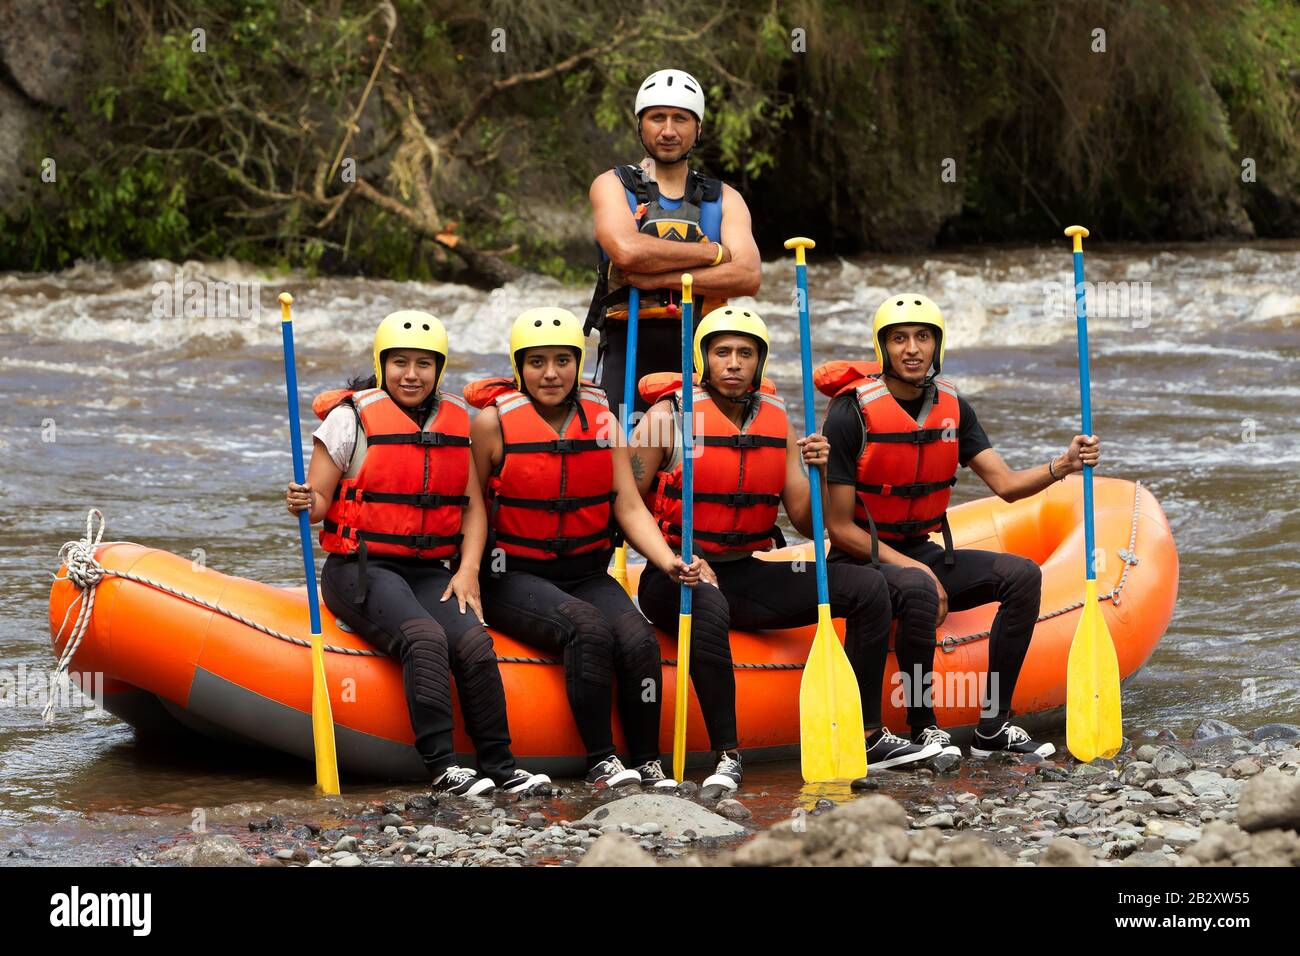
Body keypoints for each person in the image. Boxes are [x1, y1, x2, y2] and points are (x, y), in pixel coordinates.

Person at [629, 308, 932, 793]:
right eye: (722, 352)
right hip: (673, 578)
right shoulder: (667, 418)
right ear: (703, 360)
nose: (733, 363)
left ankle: (869, 733)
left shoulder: (776, 419)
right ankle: (727, 755)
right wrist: (674, 559)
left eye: (745, 353)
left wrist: (818, 473)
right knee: (708, 603)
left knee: (868, 586)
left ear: (760, 362)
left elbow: (812, 524)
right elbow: (627, 506)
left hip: (745, 572)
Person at [821, 294, 1102, 762]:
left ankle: (993, 725)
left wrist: (1065, 464)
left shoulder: (954, 406)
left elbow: (1007, 485)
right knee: (917, 586)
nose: (912, 349)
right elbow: (839, 528)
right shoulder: (850, 413)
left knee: (1022, 576)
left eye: (923, 337)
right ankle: (923, 726)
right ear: (883, 348)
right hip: (861, 560)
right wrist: (921, 572)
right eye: (899, 338)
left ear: (938, 345)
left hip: (919, 548)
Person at [285, 310, 550, 796]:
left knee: (472, 641)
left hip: (430, 568)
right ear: (382, 364)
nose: (412, 374)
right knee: (424, 637)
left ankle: (502, 766)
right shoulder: (350, 420)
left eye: (424, 364)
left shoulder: (457, 423)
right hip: (360, 568)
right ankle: (444, 766)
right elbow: (320, 503)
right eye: (400, 363)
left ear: (439, 368)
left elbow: (472, 510)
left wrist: (469, 571)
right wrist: (305, 500)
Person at [465, 308, 708, 790]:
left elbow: (630, 506)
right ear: (519, 367)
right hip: (511, 575)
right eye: (536, 362)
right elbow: (471, 507)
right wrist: (469, 571)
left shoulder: (602, 420)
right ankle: (602, 759)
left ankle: (648, 761)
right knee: (587, 628)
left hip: (585, 571)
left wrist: (669, 561)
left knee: (638, 641)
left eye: (562, 360)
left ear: (579, 364)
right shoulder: (491, 424)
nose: (550, 373)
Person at [587, 68, 761, 416]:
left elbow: (747, 276)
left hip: (703, 355)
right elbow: (626, 250)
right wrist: (713, 253)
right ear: (640, 125)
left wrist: (657, 277)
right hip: (627, 351)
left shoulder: (725, 198)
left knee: (700, 464)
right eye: (657, 118)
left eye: (680, 119)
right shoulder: (611, 185)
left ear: (698, 128)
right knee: (626, 463)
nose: (668, 130)